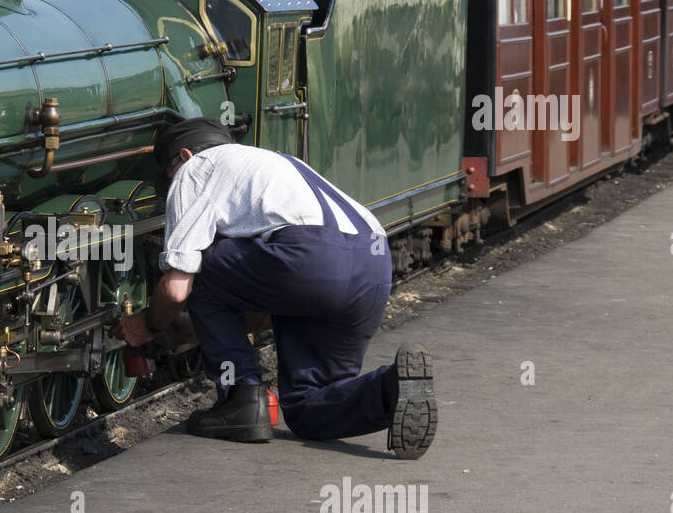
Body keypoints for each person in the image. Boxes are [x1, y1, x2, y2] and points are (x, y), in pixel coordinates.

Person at [118, 118, 437, 458]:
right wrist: (198, 328)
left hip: (309, 258)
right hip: (372, 265)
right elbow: (258, 308)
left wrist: (147, 326)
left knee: (201, 263)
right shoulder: (271, 165)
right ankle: (392, 389)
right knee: (307, 407)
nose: (172, 183)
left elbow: (178, 289)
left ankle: (241, 396)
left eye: (169, 174)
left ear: (183, 156)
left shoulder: (196, 168)